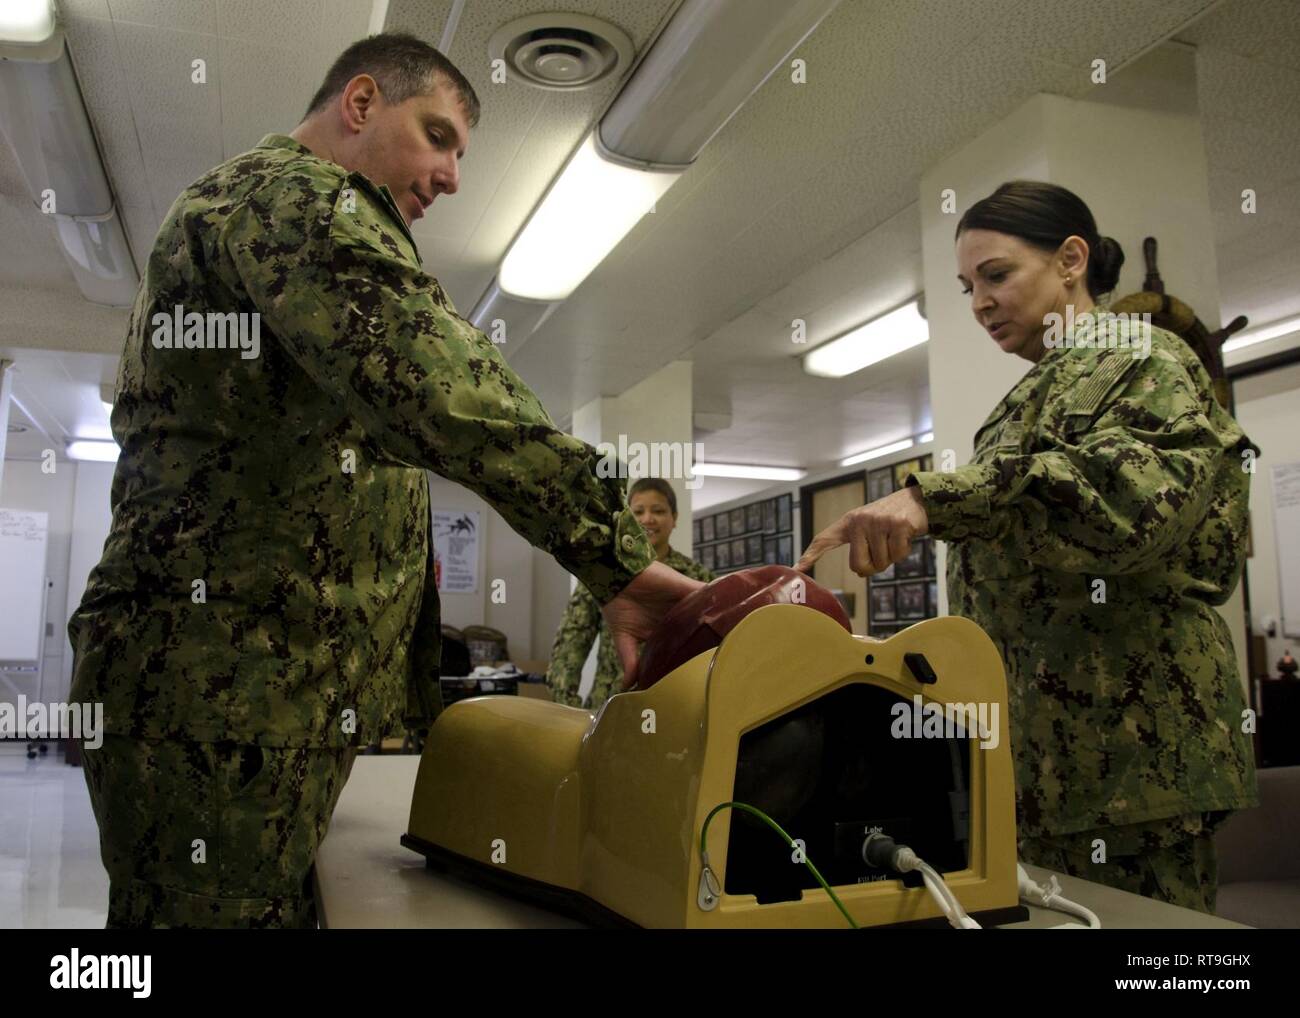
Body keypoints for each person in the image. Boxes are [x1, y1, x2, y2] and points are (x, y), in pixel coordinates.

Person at [67, 33, 701, 929]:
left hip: (245, 696)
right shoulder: (293, 199)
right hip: (213, 697)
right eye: (437, 135)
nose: (449, 175)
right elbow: (442, 390)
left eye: (459, 155)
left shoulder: (288, 225)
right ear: (361, 103)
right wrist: (614, 559)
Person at [798, 180, 1258, 913]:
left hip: (1134, 761)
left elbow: (1135, 508)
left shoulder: (1141, 357)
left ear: (1071, 259)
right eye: (966, 286)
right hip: (1049, 764)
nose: (978, 301)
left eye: (997, 275)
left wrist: (931, 498)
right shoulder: (1034, 395)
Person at [547, 478, 713, 710]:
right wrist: (568, 712)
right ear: (627, 521)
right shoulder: (603, 575)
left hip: (676, 707)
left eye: (658, 511)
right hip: (611, 707)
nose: (648, 519)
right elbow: (570, 646)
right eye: (638, 511)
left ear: (674, 518)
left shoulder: (697, 578)